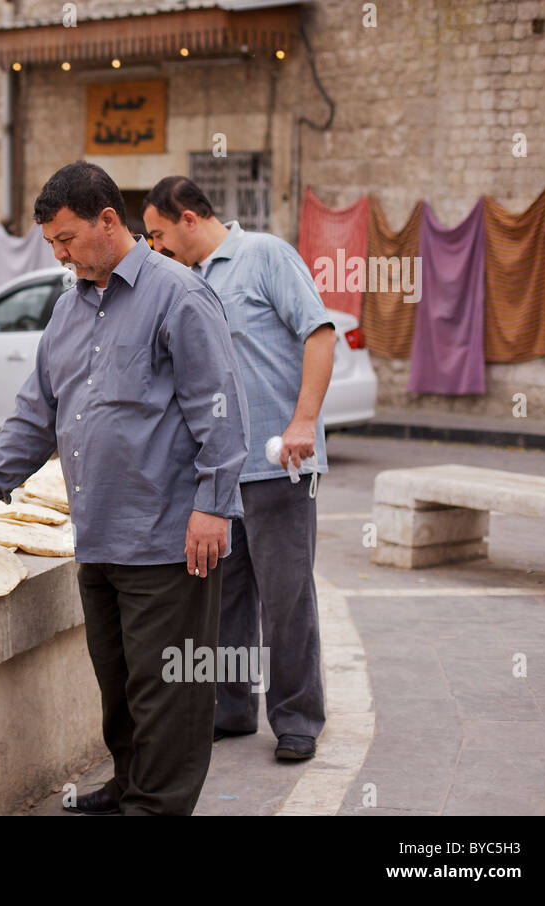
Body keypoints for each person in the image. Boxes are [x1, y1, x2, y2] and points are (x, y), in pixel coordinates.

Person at [0, 162, 249, 815]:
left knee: (168, 686)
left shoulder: (178, 296)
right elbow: (37, 411)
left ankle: (158, 804)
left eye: (68, 239)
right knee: (121, 680)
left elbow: (220, 408)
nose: (60, 254)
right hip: (101, 535)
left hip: (169, 537)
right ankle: (130, 784)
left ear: (110, 220)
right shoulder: (69, 307)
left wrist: (214, 506)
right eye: (52, 243)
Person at [142, 176, 334, 761]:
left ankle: (297, 718)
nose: (153, 246)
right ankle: (230, 709)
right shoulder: (181, 284)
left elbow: (320, 335)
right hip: (218, 476)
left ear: (189, 219)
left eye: (157, 233)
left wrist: (303, 422)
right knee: (225, 601)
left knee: (287, 597)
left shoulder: (264, 255)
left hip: (281, 465)